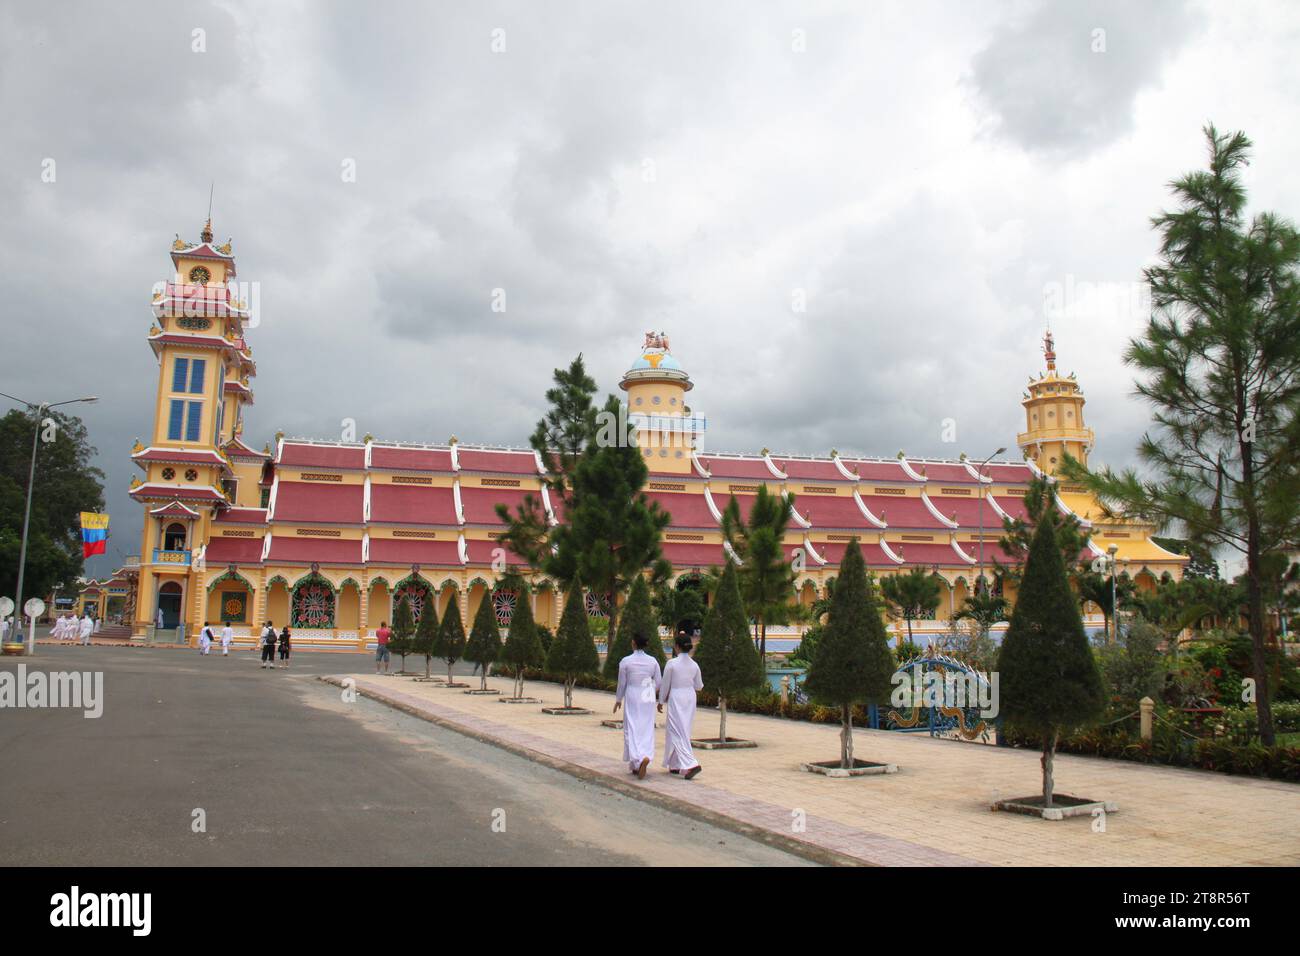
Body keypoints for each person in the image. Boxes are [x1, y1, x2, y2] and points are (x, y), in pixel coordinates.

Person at [613, 633, 662, 779]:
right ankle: (642, 759)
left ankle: (638, 759)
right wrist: (650, 690)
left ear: (633, 643)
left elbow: (622, 683)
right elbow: (659, 682)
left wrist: (618, 699)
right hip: (647, 694)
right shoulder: (653, 661)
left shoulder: (626, 661)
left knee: (632, 728)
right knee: (646, 728)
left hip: (633, 694)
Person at [659, 634, 704, 779]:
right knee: (684, 730)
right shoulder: (694, 665)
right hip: (690, 697)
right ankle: (675, 764)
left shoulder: (672, 663)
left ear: (677, 646)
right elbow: (699, 686)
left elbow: (665, 685)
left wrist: (660, 701)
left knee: (676, 731)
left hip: (677, 696)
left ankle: (690, 763)